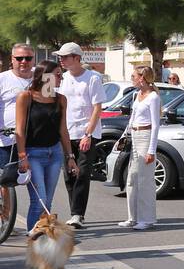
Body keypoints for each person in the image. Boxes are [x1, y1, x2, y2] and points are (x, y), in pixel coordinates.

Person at [14, 59, 78, 236]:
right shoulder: (26, 97)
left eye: (61, 75)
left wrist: (70, 157)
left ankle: (41, 241)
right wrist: (22, 156)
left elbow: (63, 130)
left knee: (47, 202)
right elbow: (19, 130)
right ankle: (33, 242)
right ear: (45, 76)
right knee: (39, 200)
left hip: (54, 153)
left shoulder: (61, 99)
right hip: (33, 154)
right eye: (58, 75)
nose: (61, 78)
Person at [56, 42, 108, 229]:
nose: (61, 60)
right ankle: (75, 212)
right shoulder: (61, 78)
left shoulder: (92, 78)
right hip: (66, 134)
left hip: (87, 133)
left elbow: (97, 108)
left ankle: (78, 214)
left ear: (76, 58)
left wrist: (88, 134)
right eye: (60, 57)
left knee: (83, 174)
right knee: (69, 174)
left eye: (65, 56)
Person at [118, 64, 161, 230]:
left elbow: (155, 125)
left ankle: (147, 218)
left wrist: (151, 150)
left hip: (145, 136)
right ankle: (132, 217)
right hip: (135, 136)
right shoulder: (137, 94)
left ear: (142, 78)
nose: (132, 79)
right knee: (132, 178)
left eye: (134, 76)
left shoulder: (153, 97)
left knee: (145, 180)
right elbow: (132, 118)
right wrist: (123, 136)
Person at [1, 43, 37, 173]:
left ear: (34, 59)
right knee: (7, 181)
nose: (24, 61)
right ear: (12, 58)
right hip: (8, 140)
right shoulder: (2, 79)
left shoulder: (43, 77)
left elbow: (50, 106)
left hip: (37, 140)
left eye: (28, 58)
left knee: (36, 181)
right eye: (19, 58)